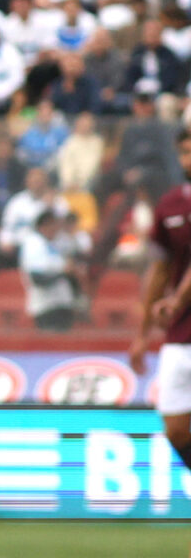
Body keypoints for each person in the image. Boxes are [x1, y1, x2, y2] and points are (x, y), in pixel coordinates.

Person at [130, 129, 191, 480]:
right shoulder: (170, 205)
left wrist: (179, 298)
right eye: (184, 152)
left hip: (178, 311)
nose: (188, 159)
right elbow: (159, 268)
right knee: (177, 430)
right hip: (179, 331)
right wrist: (141, 335)